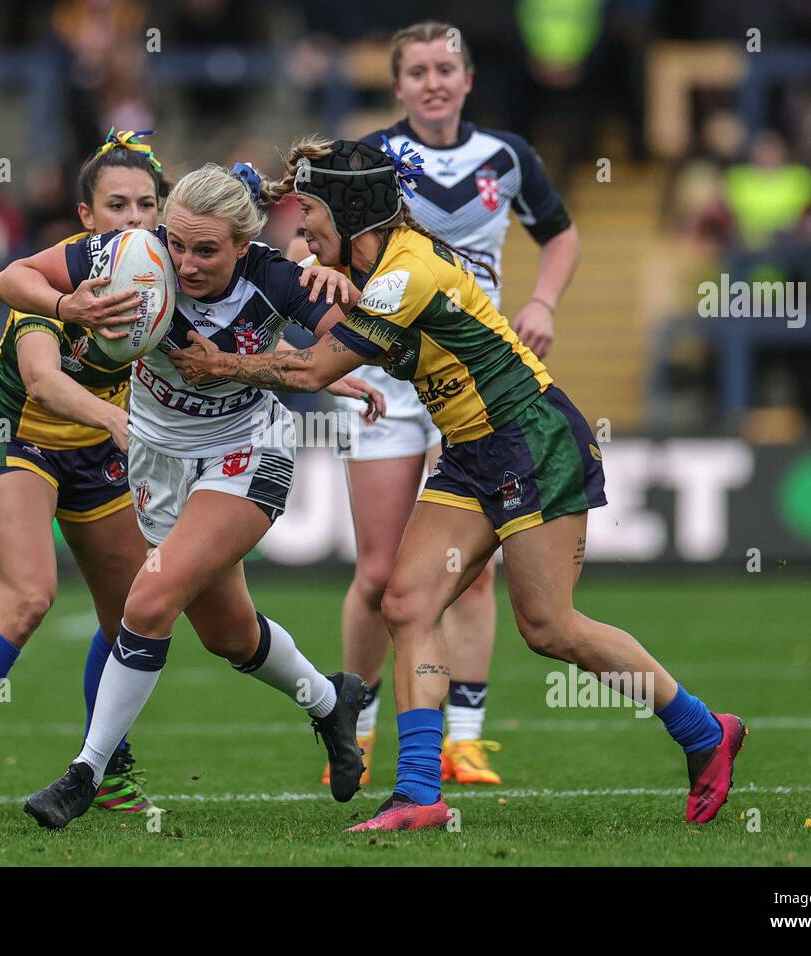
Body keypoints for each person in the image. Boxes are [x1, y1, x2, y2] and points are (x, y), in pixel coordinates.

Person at [171, 137, 746, 832]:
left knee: (550, 627)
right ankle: (419, 794)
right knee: (408, 602)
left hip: (531, 440)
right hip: (475, 450)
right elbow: (327, 294)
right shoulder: (378, 259)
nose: (302, 232)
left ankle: (704, 732)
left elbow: (313, 371)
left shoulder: (402, 276)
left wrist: (225, 365)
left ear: (353, 217)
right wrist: (298, 237)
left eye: (313, 216)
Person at [0, 160, 386, 830]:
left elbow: (355, 344)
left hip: (247, 452)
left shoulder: (278, 278)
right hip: (158, 457)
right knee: (229, 635)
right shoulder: (133, 254)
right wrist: (67, 305)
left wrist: (243, 363)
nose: (187, 262)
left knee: (148, 599)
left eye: (207, 250)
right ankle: (330, 701)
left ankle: (85, 772)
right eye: (178, 243)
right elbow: (10, 277)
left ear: (243, 246)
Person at [319, 19, 581, 789]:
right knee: (376, 572)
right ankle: (357, 730)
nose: (434, 81)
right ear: (397, 85)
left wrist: (546, 302)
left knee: (470, 570)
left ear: (468, 80)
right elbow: (317, 245)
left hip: (474, 380)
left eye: (446, 68)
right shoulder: (366, 160)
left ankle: (463, 737)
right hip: (386, 374)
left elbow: (560, 236)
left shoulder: (507, 156)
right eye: (419, 71)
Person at [0, 130, 168, 825]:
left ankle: (104, 767)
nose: (132, 220)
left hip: (96, 453)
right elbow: (42, 382)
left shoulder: (168, 277)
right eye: (116, 206)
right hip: (17, 438)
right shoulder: (54, 281)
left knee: (132, 615)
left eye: (145, 205)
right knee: (29, 598)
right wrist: (116, 420)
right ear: (86, 218)